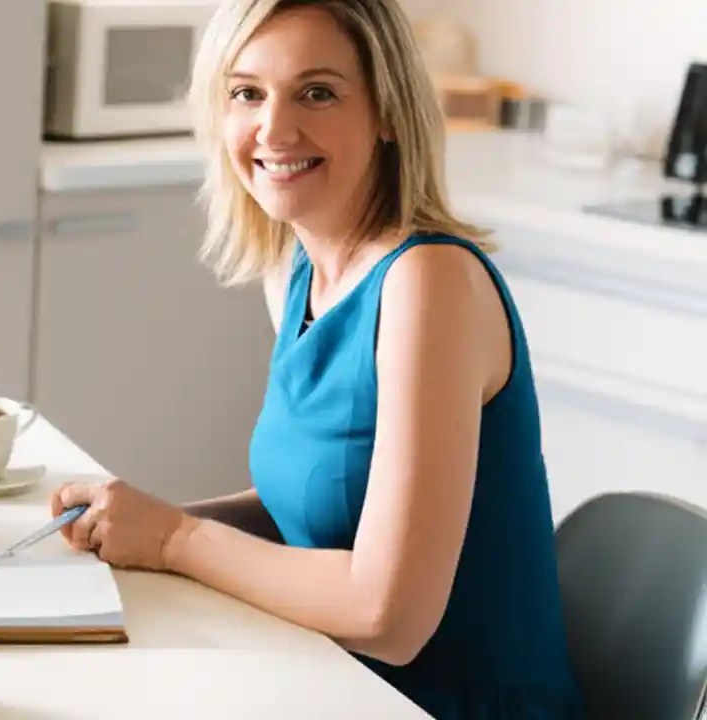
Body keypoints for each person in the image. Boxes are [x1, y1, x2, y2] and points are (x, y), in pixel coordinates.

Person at [47, 1, 586, 717]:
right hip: (327, 684)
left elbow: (389, 619)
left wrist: (176, 538)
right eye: (247, 93)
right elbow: (307, 507)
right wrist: (136, 527)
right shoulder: (297, 266)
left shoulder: (430, 283)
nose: (274, 129)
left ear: (389, 112)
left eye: (317, 92)